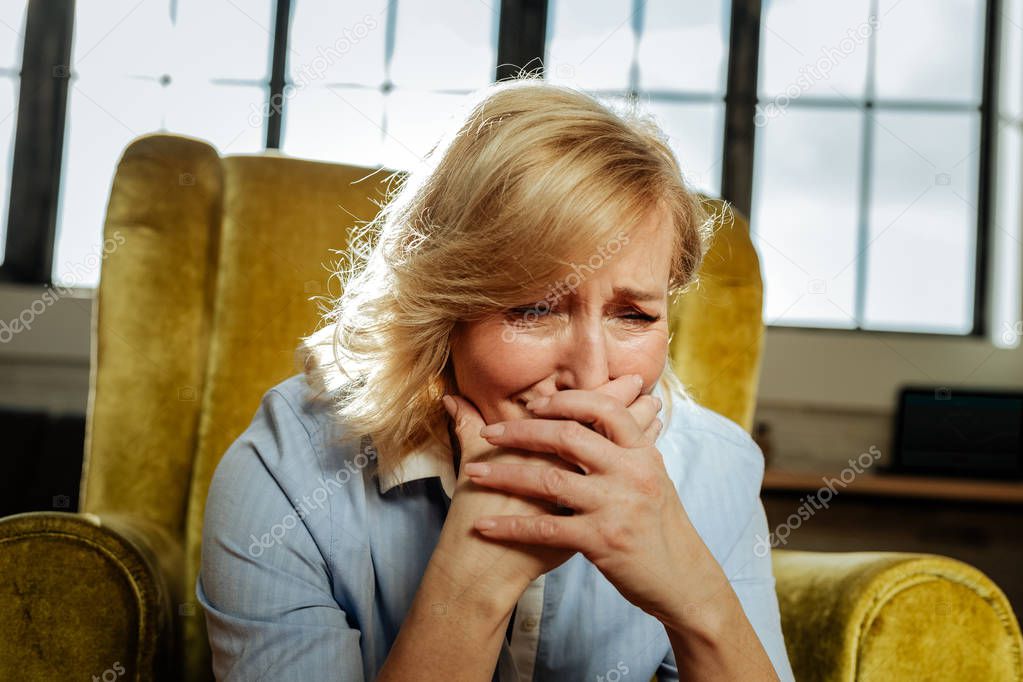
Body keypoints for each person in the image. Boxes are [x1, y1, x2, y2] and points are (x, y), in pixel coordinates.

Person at [196, 75, 795, 681]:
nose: (589, 374)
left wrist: (698, 602)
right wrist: (474, 584)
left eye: (633, 315)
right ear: (440, 311)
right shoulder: (289, 474)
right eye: (534, 309)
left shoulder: (718, 471)